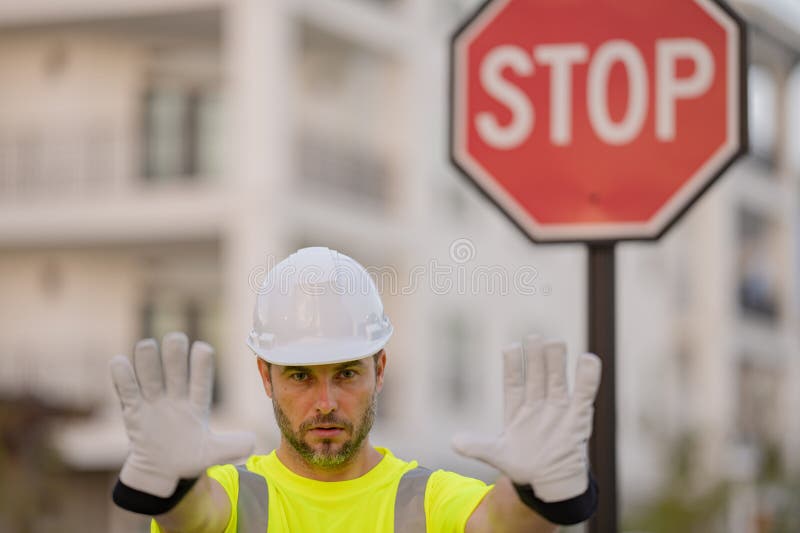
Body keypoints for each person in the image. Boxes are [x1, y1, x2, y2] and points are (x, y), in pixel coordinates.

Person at [110, 246, 601, 532]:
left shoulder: (424, 498)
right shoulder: (236, 496)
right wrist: (172, 490)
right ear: (266, 377)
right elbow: (197, 516)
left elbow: (500, 522)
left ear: (380, 369)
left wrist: (537, 494)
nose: (325, 403)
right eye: (300, 376)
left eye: (346, 373)